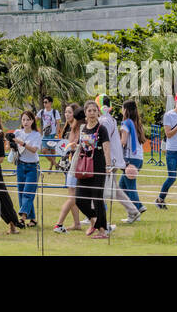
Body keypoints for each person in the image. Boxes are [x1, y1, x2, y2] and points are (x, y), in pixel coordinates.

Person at [99, 97, 139, 225]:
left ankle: (94, 215)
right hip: (113, 158)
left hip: (109, 159)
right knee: (115, 189)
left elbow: (105, 142)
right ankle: (133, 210)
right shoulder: (110, 119)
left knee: (100, 187)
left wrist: (107, 161)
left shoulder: (104, 121)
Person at [74, 100, 111, 238]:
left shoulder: (102, 128)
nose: (92, 113)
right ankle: (94, 221)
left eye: (94, 110)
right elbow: (81, 147)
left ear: (98, 112)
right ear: (85, 113)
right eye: (89, 110)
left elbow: (106, 147)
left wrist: (108, 166)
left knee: (97, 199)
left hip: (98, 166)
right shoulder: (83, 128)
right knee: (79, 199)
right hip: (84, 167)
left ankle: (102, 230)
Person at [52, 102, 84, 233]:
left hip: (75, 163)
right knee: (73, 196)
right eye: (65, 112)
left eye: (70, 112)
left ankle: (67, 223)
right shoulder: (69, 128)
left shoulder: (78, 128)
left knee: (74, 196)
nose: (67, 114)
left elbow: (76, 145)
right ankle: (75, 223)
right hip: (69, 163)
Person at [118, 99, 146, 221]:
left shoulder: (125, 123)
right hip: (138, 158)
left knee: (130, 186)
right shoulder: (136, 123)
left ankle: (137, 208)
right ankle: (133, 213)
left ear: (126, 110)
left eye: (122, 108)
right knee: (122, 186)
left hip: (130, 158)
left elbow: (123, 142)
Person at [14, 109, 42, 226]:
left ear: (32, 121)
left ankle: (22, 217)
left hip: (33, 166)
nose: (25, 122)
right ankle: (33, 219)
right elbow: (13, 147)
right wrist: (12, 144)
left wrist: (22, 143)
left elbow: (34, 149)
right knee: (21, 192)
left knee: (28, 192)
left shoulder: (36, 134)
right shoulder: (17, 133)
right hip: (20, 165)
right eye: (23, 119)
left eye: (28, 119)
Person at [38, 97, 60, 170]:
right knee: (44, 150)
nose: (44, 103)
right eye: (44, 102)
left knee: (53, 151)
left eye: (46, 102)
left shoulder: (55, 112)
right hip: (45, 134)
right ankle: (56, 164)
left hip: (53, 134)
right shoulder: (41, 112)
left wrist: (56, 134)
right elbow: (34, 119)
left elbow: (58, 123)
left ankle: (51, 167)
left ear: (50, 103)